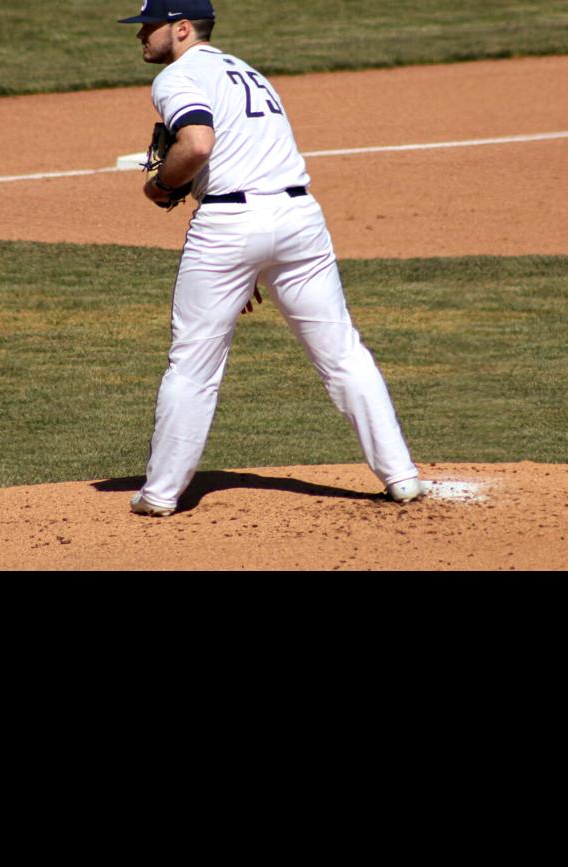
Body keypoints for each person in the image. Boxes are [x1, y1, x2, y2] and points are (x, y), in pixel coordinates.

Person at [119, 0, 424, 517]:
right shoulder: (248, 72)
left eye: (151, 25)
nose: (141, 34)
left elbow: (197, 144)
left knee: (192, 367)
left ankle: (161, 494)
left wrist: (161, 185)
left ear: (182, 28)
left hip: (230, 226)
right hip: (299, 221)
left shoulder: (176, 77)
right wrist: (255, 266)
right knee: (343, 354)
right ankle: (401, 476)